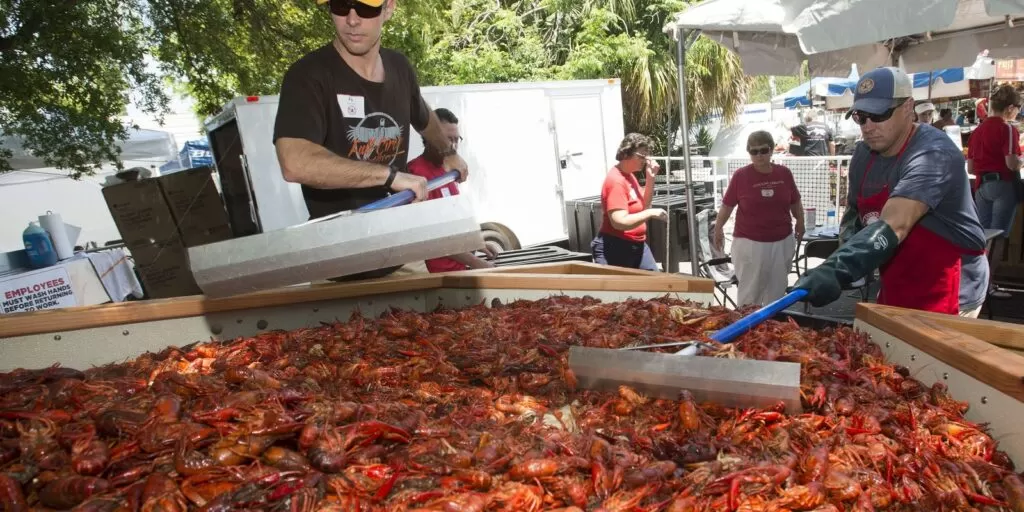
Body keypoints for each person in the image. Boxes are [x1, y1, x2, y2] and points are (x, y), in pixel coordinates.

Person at [272, 0, 471, 279]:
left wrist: (448, 151)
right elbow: (294, 162)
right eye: (341, 7)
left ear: (388, 9)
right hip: (338, 266)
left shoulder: (399, 67)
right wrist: (390, 176)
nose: (352, 20)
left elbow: (424, 116)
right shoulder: (308, 75)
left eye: (365, 9)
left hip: (401, 258)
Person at [793, 67, 990, 318]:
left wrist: (837, 269)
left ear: (908, 107)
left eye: (879, 114)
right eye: (860, 117)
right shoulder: (863, 155)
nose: (868, 126)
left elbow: (896, 224)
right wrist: (846, 251)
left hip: (950, 287)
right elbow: (854, 212)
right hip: (897, 281)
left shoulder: (932, 154)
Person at [714, 131, 805, 307]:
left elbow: (795, 201)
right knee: (750, 293)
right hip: (749, 243)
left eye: (763, 150)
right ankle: (746, 329)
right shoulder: (741, 176)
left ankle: (774, 329)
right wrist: (718, 228)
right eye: (753, 152)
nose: (759, 156)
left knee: (777, 291)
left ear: (771, 150)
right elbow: (727, 206)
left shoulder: (784, 173)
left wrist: (800, 221)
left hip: (782, 241)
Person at [407, 108, 495, 272]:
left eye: (456, 140)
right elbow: (434, 236)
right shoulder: (416, 174)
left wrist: (476, 243)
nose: (453, 147)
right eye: (448, 140)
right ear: (431, 136)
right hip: (436, 276)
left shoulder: (448, 171)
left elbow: (452, 224)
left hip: (457, 269)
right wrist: (477, 262)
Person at [967, 84, 1021, 300]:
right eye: (1018, 107)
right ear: (1010, 107)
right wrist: (1020, 161)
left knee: (981, 237)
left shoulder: (977, 131)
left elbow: (970, 168)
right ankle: (988, 286)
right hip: (1002, 186)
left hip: (981, 188)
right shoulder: (1007, 129)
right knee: (998, 238)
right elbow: (1011, 163)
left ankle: (976, 284)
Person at [591, 133, 667, 271]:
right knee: (623, 291)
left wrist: (650, 178)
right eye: (642, 156)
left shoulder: (629, 176)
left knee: (656, 285)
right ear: (627, 153)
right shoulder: (616, 181)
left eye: (647, 156)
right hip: (615, 248)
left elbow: (645, 206)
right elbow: (619, 222)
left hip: (637, 246)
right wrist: (650, 213)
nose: (645, 160)